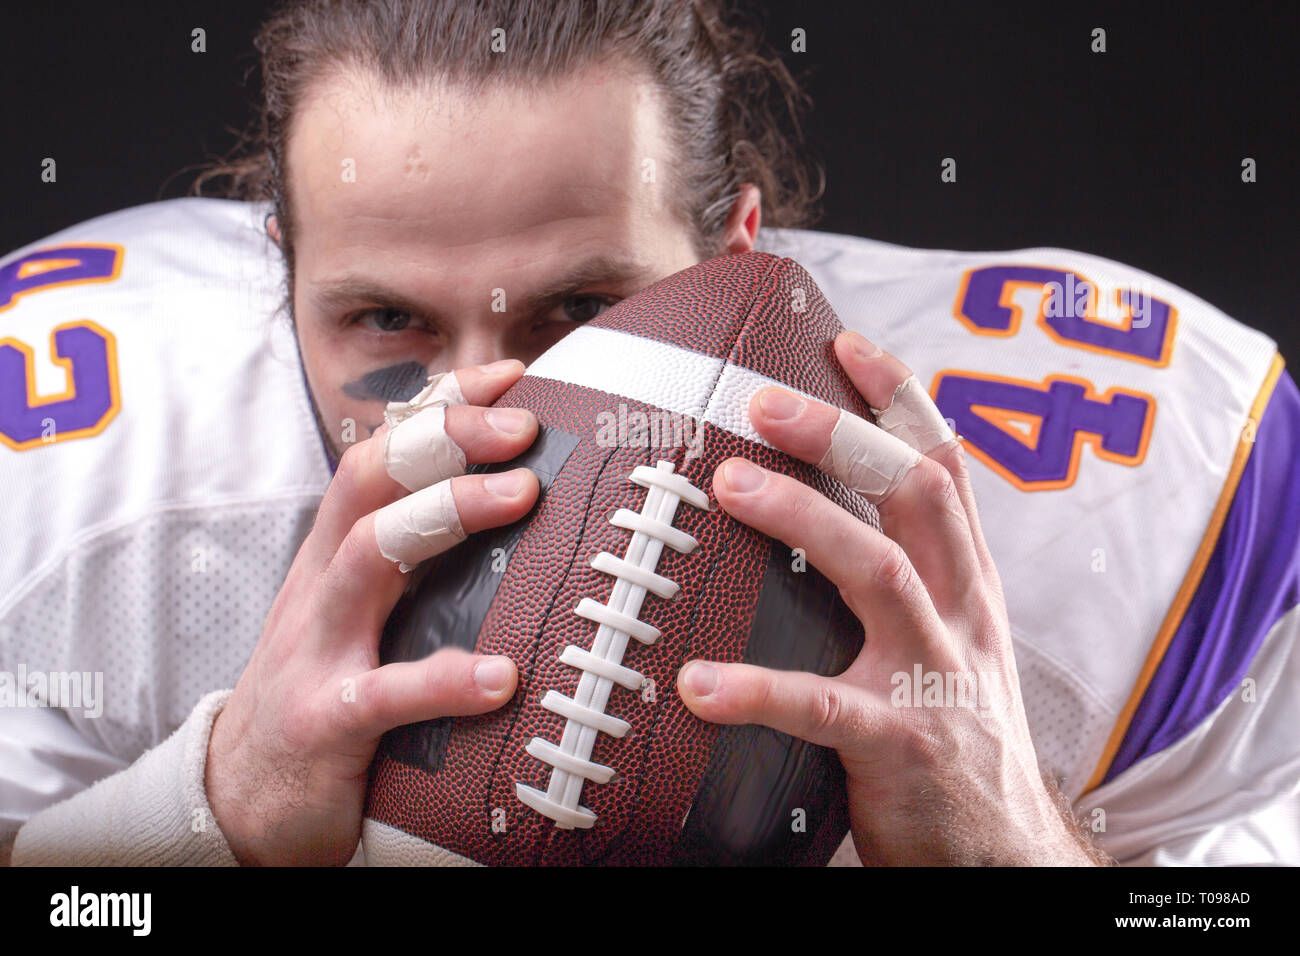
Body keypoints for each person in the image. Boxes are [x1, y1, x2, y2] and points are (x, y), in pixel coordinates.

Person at [3, 0, 1296, 866]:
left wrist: (1014, 842)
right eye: (385, 320)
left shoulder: (1134, 494)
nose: (482, 409)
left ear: (739, 249)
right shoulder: (91, 475)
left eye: (585, 309)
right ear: (280, 272)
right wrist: (201, 813)